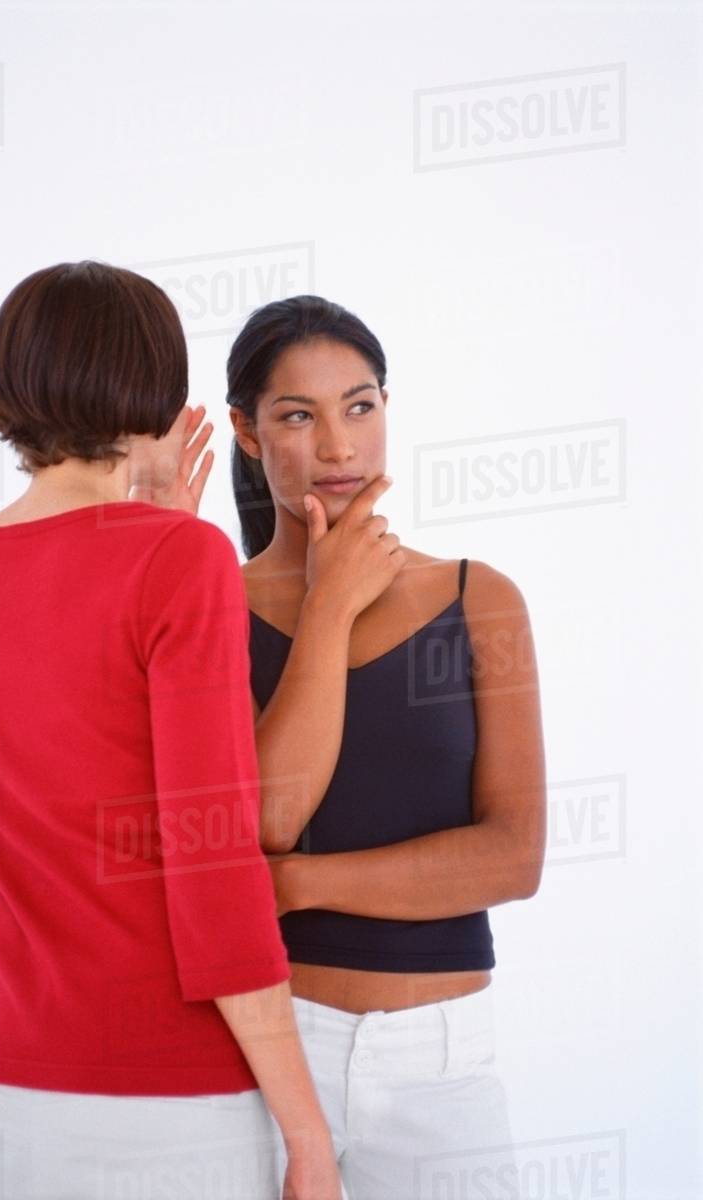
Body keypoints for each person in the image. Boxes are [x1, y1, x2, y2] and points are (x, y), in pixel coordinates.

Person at [0, 263, 343, 1200]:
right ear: (150, 382)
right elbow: (212, 866)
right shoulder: (180, 559)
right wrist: (307, 1134)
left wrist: (151, 539)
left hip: (5, 1093)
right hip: (168, 1106)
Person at [219, 295, 546, 1199]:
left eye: (359, 406)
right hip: (269, 1057)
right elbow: (267, 814)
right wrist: (328, 606)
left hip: (443, 1064)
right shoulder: (212, 607)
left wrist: (299, 885)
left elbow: (511, 857)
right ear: (246, 432)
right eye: (298, 416)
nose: (338, 446)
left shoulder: (478, 599)